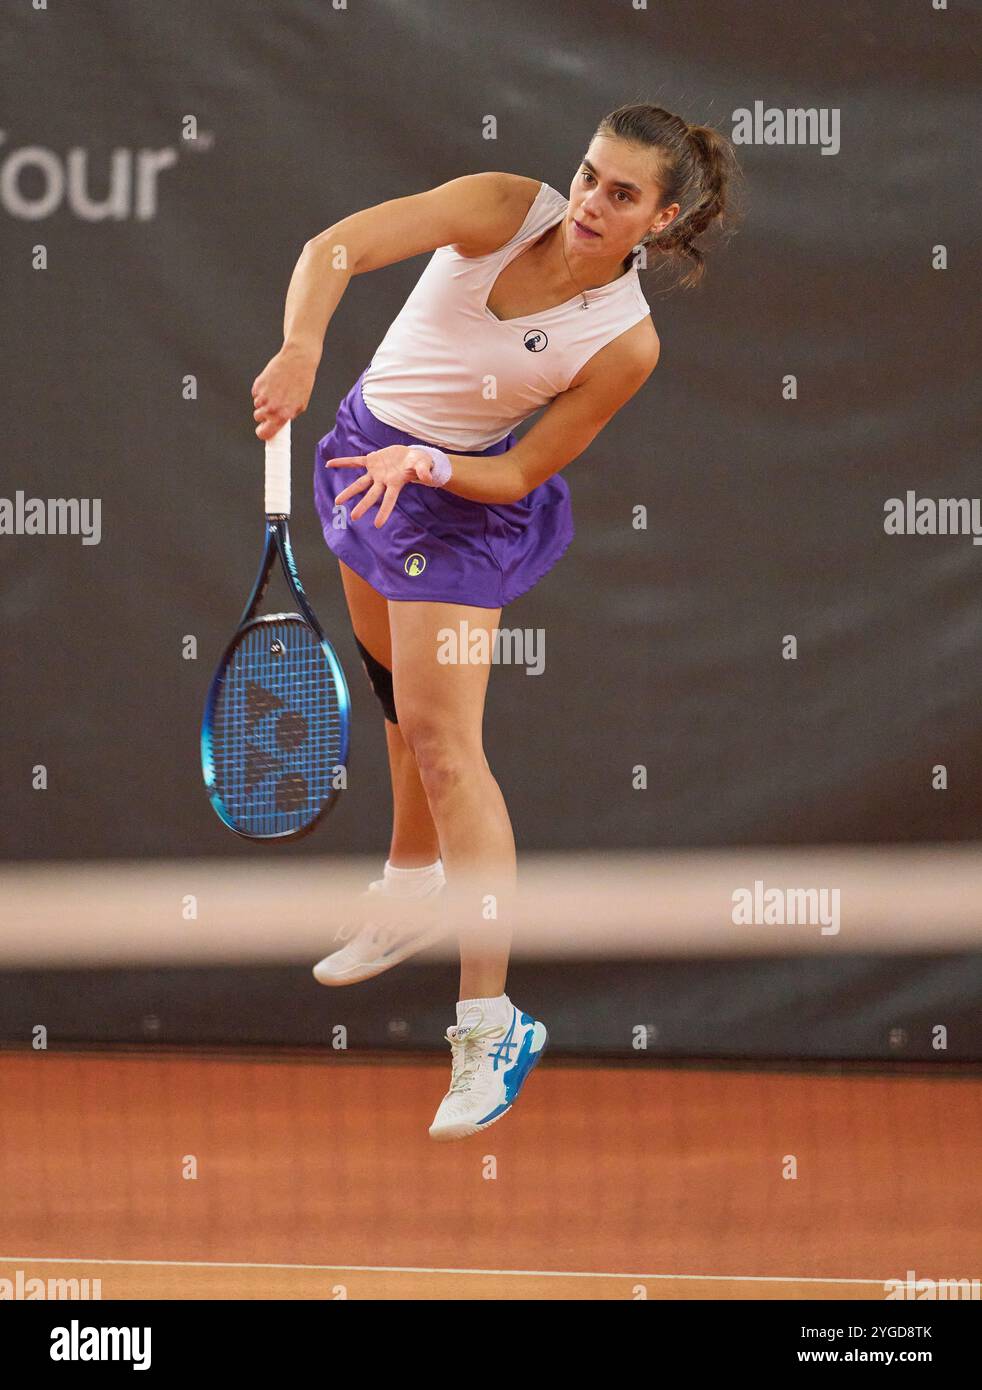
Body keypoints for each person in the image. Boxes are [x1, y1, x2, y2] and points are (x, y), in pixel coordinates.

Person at [251, 103, 740, 1141]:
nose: (590, 204)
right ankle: (410, 885)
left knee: (446, 744)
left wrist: (427, 464)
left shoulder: (623, 342)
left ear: (659, 219)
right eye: (588, 175)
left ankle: (490, 1021)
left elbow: (520, 465)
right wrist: (302, 345)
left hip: (459, 506)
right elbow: (330, 247)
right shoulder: (500, 209)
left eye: (620, 195)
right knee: (394, 702)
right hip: (361, 457)